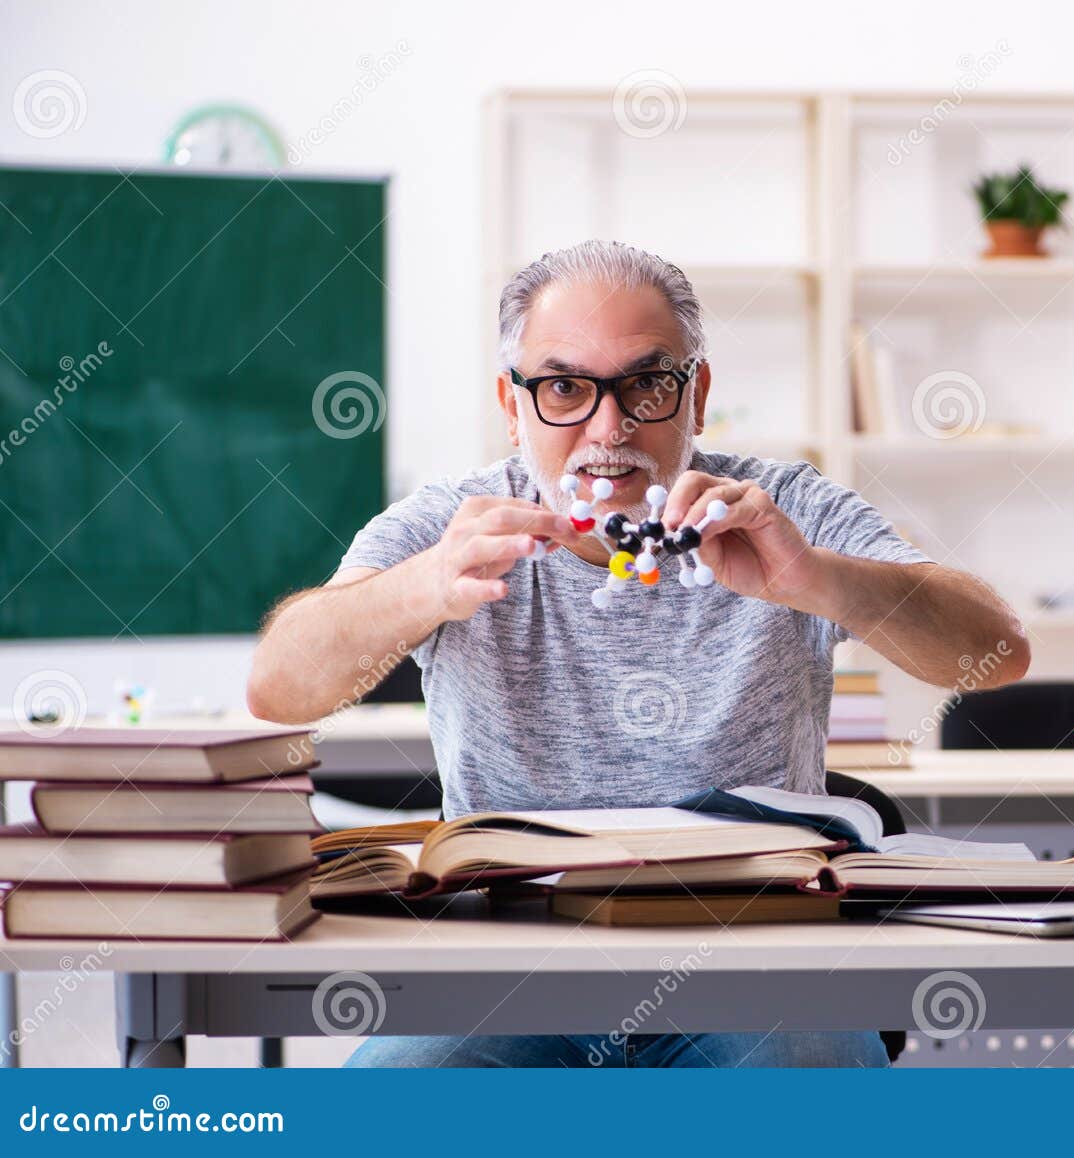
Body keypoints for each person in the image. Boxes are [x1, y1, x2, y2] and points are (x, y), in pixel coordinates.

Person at [247, 239, 1030, 1067]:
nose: (607, 429)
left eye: (648, 385)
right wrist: (426, 586)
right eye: (563, 388)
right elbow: (280, 688)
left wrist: (817, 579)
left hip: (753, 961)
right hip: (502, 969)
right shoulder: (453, 523)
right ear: (512, 408)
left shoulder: (777, 510)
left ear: (697, 395)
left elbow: (997, 652)